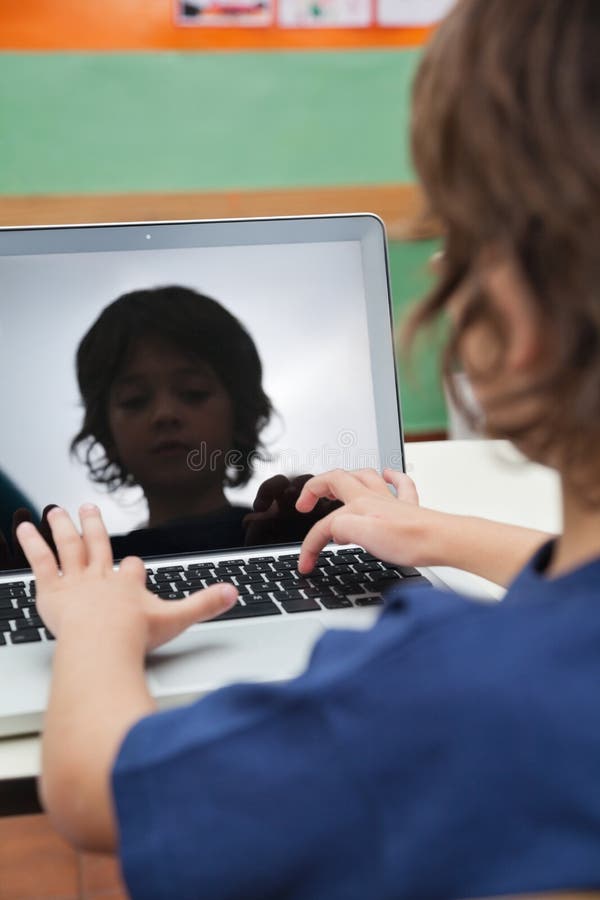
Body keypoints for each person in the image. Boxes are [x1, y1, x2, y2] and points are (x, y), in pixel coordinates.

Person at [15, 1, 600, 896]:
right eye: (133, 398)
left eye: (462, 238)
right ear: (100, 425)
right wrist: (443, 534)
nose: (441, 272)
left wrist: (94, 632)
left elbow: (98, 791)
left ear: (522, 318)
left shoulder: (434, 693)